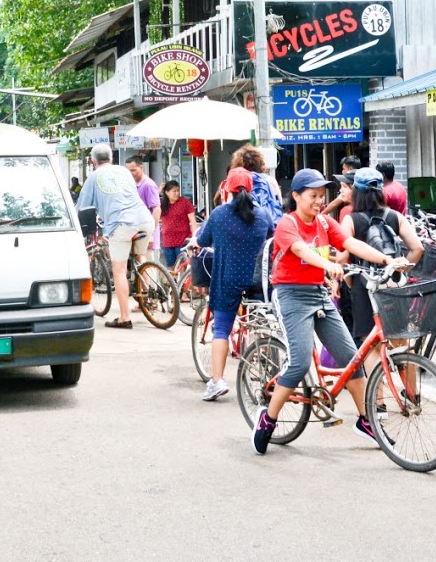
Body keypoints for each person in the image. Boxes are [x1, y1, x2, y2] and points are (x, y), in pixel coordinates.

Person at [252, 169, 407, 456]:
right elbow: (300, 251)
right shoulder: (288, 224)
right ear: (296, 196)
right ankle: (268, 418)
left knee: (353, 359)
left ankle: (366, 421)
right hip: (291, 296)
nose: (319, 201)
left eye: (322, 196)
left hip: (319, 295)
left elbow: (351, 244)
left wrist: (388, 258)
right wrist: (327, 266)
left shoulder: (324, 222)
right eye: (313, 196)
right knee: (298, 363)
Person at [192, 168, 273, 401]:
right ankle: (268, 373)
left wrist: (193, 244)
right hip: (258, 281)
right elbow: (271, 237)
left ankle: (217, 381)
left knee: (221, 329)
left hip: (227, 279)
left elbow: (203, 240)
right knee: (261, 325)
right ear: (250, 188)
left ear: (227, 188)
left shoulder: (218, 215)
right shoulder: (263, 214)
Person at [339, 167, 425, 346]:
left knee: (369, 343)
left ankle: (380, 375)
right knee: (400, 339)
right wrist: (399, 270)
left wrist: (351, 283)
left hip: (364, 286)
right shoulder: (395, 217)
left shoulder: (350, 219)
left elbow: (343, 257)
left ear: (356, 192)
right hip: (392, 283)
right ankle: (403, 373)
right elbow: (417, 248)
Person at [76, 144, 154, 329]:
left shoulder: (93, 177)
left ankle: (124, 317)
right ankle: (151, 295)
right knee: (139, 257)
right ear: (111, 158)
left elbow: (82, 207)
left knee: (118, 270)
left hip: (120, 224)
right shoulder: (123, 171)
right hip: (145, 219)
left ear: (93, 161)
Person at [125, 155, 162, 255]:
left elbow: (156, 210)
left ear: (141, 168)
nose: (131, 173)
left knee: (147, 268)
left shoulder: (148, 185)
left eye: (133, 170)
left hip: (146, 236)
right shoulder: (130, 185)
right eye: (128, 171)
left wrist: (150, 234)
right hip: (134, 234)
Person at [158, 180, 197, 270]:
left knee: (182, 266)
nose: (177, 193)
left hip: (182, 240)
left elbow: (193, 221)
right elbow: (151, 203)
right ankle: (173, 283)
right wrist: (158, 191)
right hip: (168, 241)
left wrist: (194, 237)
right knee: (170, 267)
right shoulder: (162, 204)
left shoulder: (185, 202)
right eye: (174, 191)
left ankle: (181, 283)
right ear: (167, 192)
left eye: (178, 190)